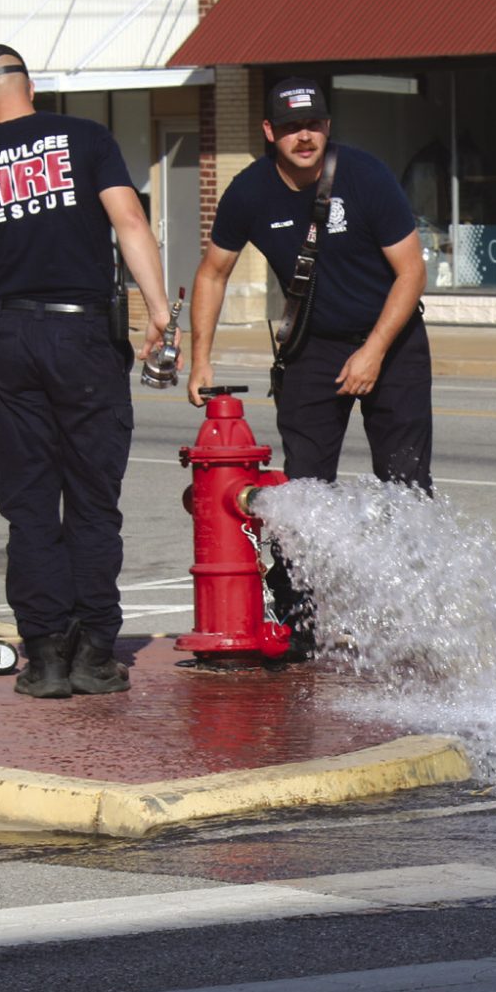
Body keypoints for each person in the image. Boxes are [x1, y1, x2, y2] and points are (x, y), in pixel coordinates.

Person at [0, 44, 172, 700]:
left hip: (11, 333)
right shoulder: (86, 138)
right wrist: (159, 313)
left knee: (31, 504)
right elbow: (129, 220)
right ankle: (96, 653)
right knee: (93, 499)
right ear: (27, 86)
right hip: (85, 330)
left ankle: (43, 656)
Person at [185, 77, 432, 652]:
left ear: (327, 126)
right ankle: (301, 618)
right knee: (305, 492)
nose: (305, 136)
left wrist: (372, 351)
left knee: (406, 483)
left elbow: (411, 271)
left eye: (314, 125)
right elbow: (212, 273)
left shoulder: (365, 176)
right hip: (312, 347)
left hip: (391, 342)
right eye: (292, 127)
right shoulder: (248, 192)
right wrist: (200, 358)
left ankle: (416, 619)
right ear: (270, 132)